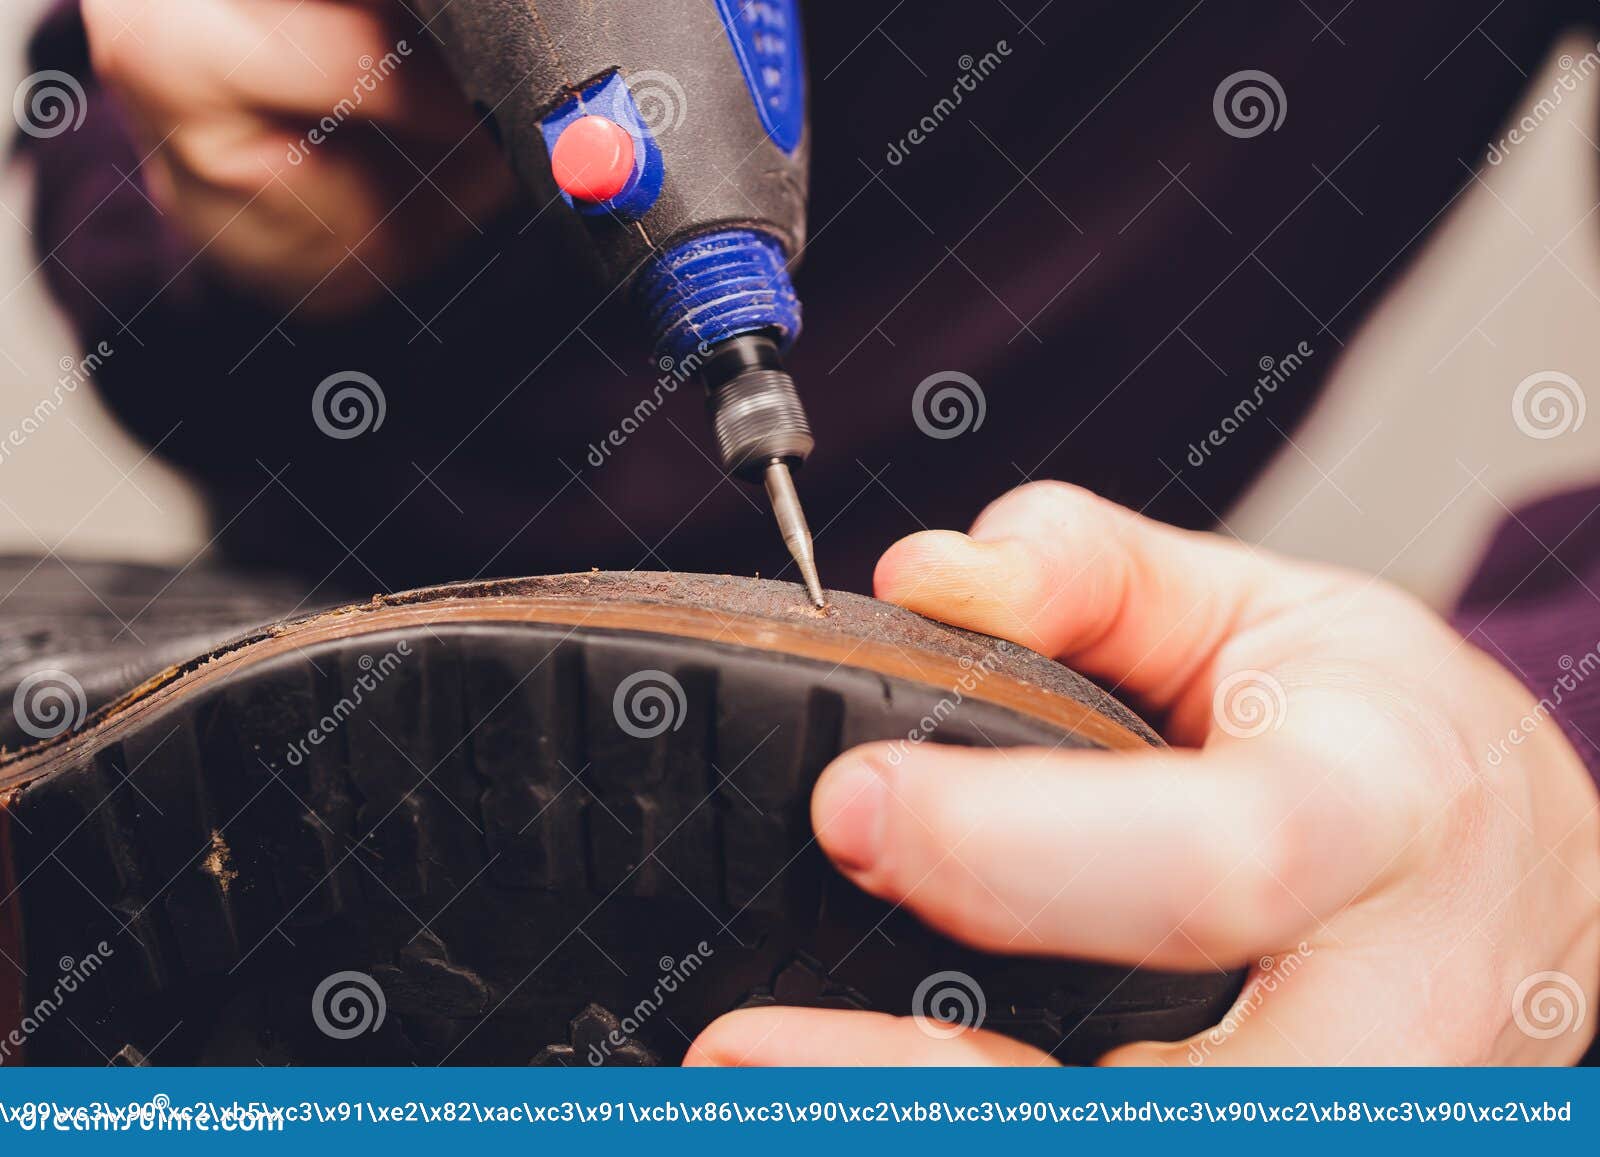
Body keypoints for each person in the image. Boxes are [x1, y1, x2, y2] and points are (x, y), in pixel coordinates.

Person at [18, 0, 1599, 1063]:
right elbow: (109, 165)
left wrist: (1549, 764)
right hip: (310, 663)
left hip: (1006, 747)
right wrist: (219, 171)